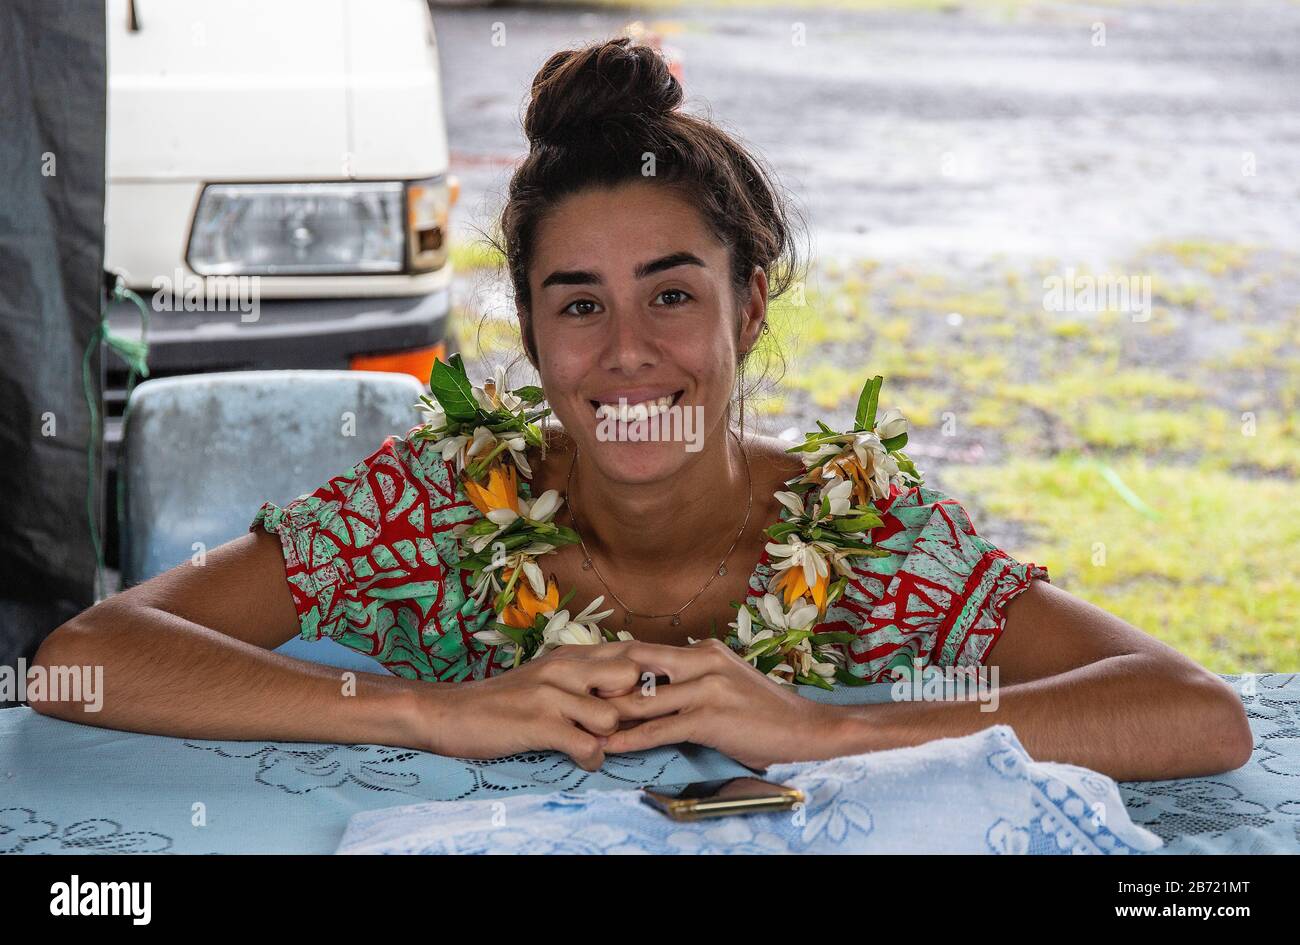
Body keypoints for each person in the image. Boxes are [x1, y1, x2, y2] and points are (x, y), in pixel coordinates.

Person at [33, 37, 1252, 781]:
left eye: (671, 295)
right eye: (576, 306)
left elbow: (1192, 715)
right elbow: (82, 663)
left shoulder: (864, 529)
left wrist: (827, 734)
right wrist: (430, 712)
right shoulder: (431, 508)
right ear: (527, 332)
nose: (626, 357)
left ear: (749, 311)